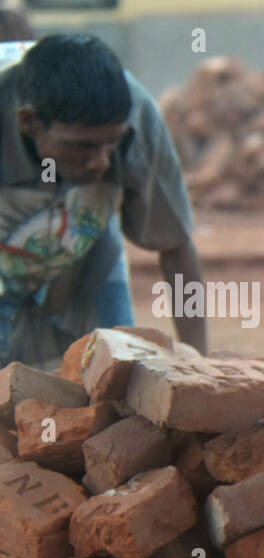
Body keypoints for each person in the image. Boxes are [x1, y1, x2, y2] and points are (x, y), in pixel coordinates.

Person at [0, 34, 207, 370]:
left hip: (83, 245)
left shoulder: (137, 118)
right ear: (29, 121)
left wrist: (199, 362)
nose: (101, 162)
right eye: (82, 146)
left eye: (110, 145)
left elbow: (175, 247)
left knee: (108, 379)